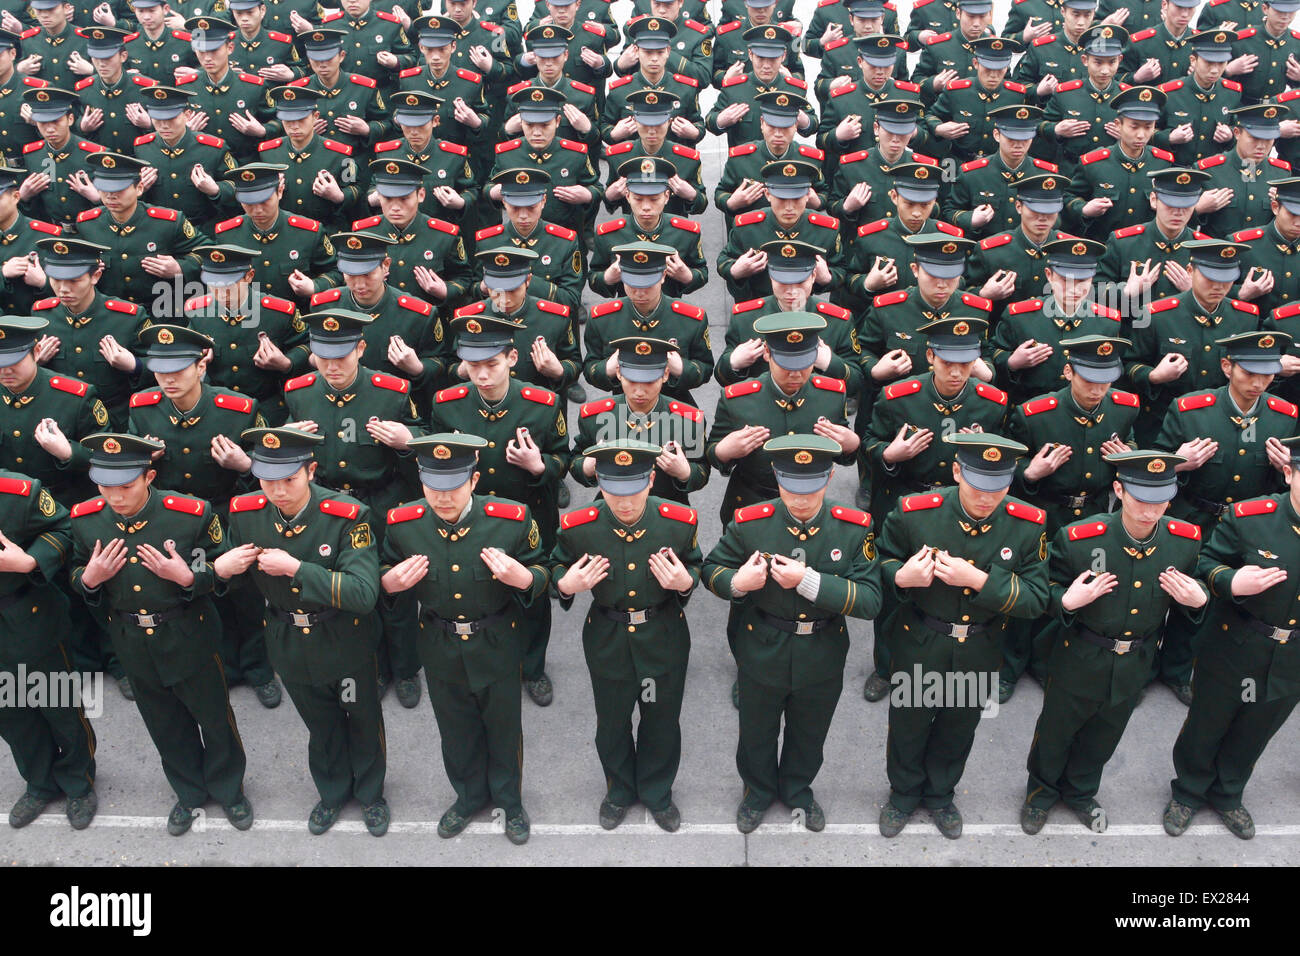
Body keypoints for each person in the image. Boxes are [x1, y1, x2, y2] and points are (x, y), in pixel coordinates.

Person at [69, 432, 252, 835]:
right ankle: (188, 793)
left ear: (149, 476)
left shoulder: (189, 514)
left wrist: (189, 578)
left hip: (188, 633)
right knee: (163, 723)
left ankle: (228, 790)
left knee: (213, 717)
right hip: (132, 640)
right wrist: (89, 579)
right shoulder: (85, 518)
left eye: (125, 486)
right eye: (105, 485)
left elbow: (224, 567)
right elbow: (77, 569)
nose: (114, 496)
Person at [703, 433, 882, 832]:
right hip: (762, 644)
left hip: (821, 648)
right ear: (777, 478)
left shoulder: (853, 528)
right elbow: (712, 569)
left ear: (830, 475)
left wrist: (810, 582)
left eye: (812, 486)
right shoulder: (751, 522)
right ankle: (758, 792)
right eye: (790, 486)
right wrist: (737, 583)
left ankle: (799, 790)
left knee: (809, 732)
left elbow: (870, 601)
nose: (800, 497)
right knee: (756, 730)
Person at [874, 433, 1049, 838]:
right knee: (909, 723)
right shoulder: (915, 513)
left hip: (981, 644)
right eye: (977, 486)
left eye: (999, 487)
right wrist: (901, 577)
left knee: (959, 725)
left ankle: (939, 795)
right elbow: (879, 561)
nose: (987, 498)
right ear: (956, 472)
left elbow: (1037, 599)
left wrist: (982, 581)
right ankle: (902, 795)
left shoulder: (1027, 524)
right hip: (922, 637)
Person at [1022, 450, 1206, 833]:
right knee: (1057, 730)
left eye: (1159, 502)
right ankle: (1040, 793)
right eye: (1140, 499)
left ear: (1170, 499)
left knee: (1105, 733)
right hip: (1080, 654)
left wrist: (1198, 599)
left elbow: (1192, 592)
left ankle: (1081, 792)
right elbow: (1044, 591)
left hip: (1135, 659)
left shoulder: (1183, 542)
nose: (1149, 511)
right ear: (1119, 490)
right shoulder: (1079, 539)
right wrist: (1067, 602)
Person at [218, 425, 389, 836]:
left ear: (311, 471)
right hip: (288, 639)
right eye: (267, 479)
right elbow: (233, 576)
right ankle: (331, 792)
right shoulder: (245, 512)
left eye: (289, 479)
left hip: (343, 639)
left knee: (361, 718)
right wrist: (218, 571)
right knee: (320, 723)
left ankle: (370, 794)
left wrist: (297, 569)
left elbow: (364, 593)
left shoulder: (347, 515)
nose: (277, 490)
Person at [380, 432, 545, 845]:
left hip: (496, 640)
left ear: (473, 481)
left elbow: (544, 570)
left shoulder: (511, 518)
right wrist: (389, 584)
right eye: (433, 487)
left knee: (503, 728)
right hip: (438, 642)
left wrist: (522, 578)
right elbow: (383, 571)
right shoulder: (404, 524)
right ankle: (468, 797)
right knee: (455, 729)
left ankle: (510, 802)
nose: (443, 497)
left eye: (453, 486)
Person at [552, 439, 702, 831]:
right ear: (599, 484)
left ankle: (656, 791)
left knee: (661, 719)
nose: (624, 502)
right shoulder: (578, 527)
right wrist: (566, 585)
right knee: (613, 721)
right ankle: (618, 790)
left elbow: (695, 565)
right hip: (608, 637)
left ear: (651, 479)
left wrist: (686, 582)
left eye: (634, 491)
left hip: (662, 634)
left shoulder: (678, 521)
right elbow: (556, 567)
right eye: (614, 492)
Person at [126, 323, 279, 707]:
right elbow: (130, 471)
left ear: (201, 366)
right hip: (174, 522)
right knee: (197, 599)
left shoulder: (238, 409)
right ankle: (223, 666)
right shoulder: (142, 408)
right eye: (160, 371)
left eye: (178, 369)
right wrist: (145, 461)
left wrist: (243, 465)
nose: (168, 380)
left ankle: (258, 668)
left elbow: (269, 472)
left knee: (243, 595)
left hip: (227, 515)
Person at [282, 307, 425, 706]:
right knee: (351, 593)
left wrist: (407, 439)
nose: (332, 366)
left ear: (361, 349)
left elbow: (423, 443)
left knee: (395, 589)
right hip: (330, 511)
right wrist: (287, 438)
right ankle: (374, 666)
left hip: (381, 504)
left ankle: (407, 667)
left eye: (341, 357)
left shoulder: (391, 391)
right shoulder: (298, 393)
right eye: (323, 357)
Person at [1152, 330, 1299, 704]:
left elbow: (1278, 489)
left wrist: (1285, 471)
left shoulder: (1283, 417)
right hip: (1192, 516)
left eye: (1267, 375)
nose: (1259, 383)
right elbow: (1153, 469)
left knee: (1219, 596)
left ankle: (1182, 668)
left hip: (1244, 526)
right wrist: (1178, 463)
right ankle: (1150, 664)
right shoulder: (1191, 409)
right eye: (1249, 373)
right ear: (1226, 366)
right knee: (1173, 591)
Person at [432, 313, 570, 707]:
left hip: (528, 514)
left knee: (530, 591)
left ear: (512, 358)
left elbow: (565, 457)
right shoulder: (447, 405)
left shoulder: (543, 404)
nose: (482, 376)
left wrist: (540, 467)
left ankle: (533, 666)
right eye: (473, 366)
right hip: (469, 518)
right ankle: (485, 663)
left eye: (492, 364)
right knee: (475, 589)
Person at [1166, 435, 1300, 839]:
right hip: (1236, 642)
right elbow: (1207, 563)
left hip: (1292, 655)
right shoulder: (1251, 517)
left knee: (1257, 727)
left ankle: (1228, 794)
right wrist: (1232, 582)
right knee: (1209, 721)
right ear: (1289, 473)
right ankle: (1187, 792)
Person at [0, 466, 98, 831]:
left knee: (58, 706)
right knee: (11, 715)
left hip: (27, 616)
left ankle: (78, 783)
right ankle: (39, 783)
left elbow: (64, 527)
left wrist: (28, 561)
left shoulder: (17, 492)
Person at [570, 336, 710, 505]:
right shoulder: (594, 416)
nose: (639, 391)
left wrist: (685, 473)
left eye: (649, 381)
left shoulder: (688, 419)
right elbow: (575, 460)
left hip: (668, 506)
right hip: (615, 506)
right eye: (632, 380)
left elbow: (702, 470)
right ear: (619, 373)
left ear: (665, 374)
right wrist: (587, 466)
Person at [583, 240, 714, 407]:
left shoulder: (690, 319)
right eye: (632, 284)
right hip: (622, 408)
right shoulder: (602, 319)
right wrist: (608, 368)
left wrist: (682, 368)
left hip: (676, 406)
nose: (639, 292)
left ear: (663, 276)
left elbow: (706, 369)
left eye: (648, 285)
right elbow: (589, 369)